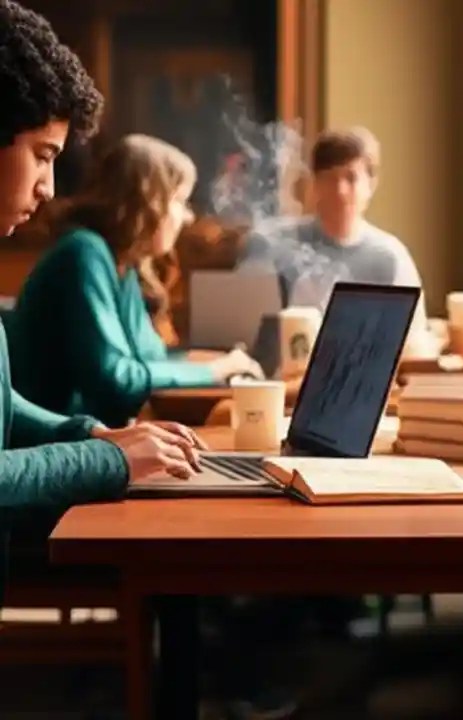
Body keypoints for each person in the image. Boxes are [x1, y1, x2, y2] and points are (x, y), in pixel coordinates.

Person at [0, 0, 203, 600]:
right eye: (42, 154)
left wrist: (93, 436)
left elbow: (3, 407)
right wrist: (110, 461)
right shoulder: (83, 253)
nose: (49, 185)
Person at [6, 134, 263, 428]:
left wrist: (209, 361)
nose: (188, 218)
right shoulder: (83, 252)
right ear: (148, 203)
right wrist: (216, 370)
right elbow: (116, 381)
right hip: (52, 448)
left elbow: (147, 359)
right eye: (179, 201)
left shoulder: (122, 266)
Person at [238, 126, 434, 356]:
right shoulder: (275, 245)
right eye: (329, 178)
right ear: (314, 185)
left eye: (351, 178)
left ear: (371, 185)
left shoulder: (390, 257)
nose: (340, 190)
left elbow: (415, 343)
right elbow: (241, 328)